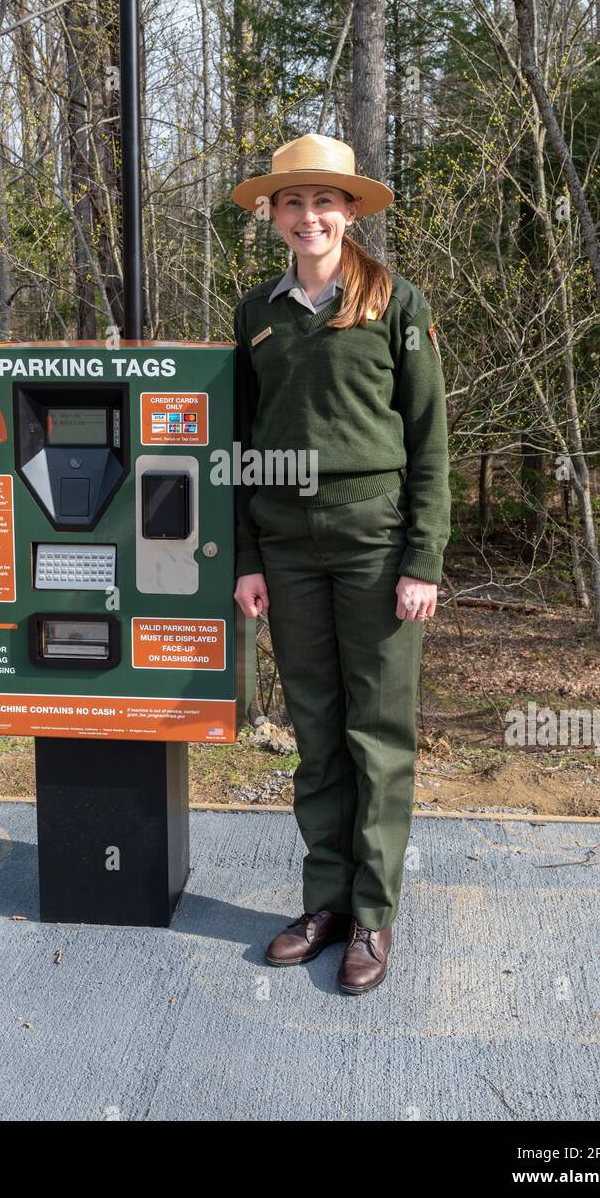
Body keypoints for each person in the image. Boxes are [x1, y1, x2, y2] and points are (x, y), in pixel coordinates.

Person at [230, 132, 451, 995]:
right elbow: (243, 444)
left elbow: (430, 441)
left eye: (325, 200)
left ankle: (371, 914)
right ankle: (322, 901)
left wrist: (421, 559)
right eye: (292, 201)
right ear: (272, 214)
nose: (309, 215)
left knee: (377, 734)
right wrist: (247, 554)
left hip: (373, 539)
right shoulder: (257, 314)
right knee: (316, 730)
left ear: (350, 209)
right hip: (285, 546)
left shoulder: (394, 301)